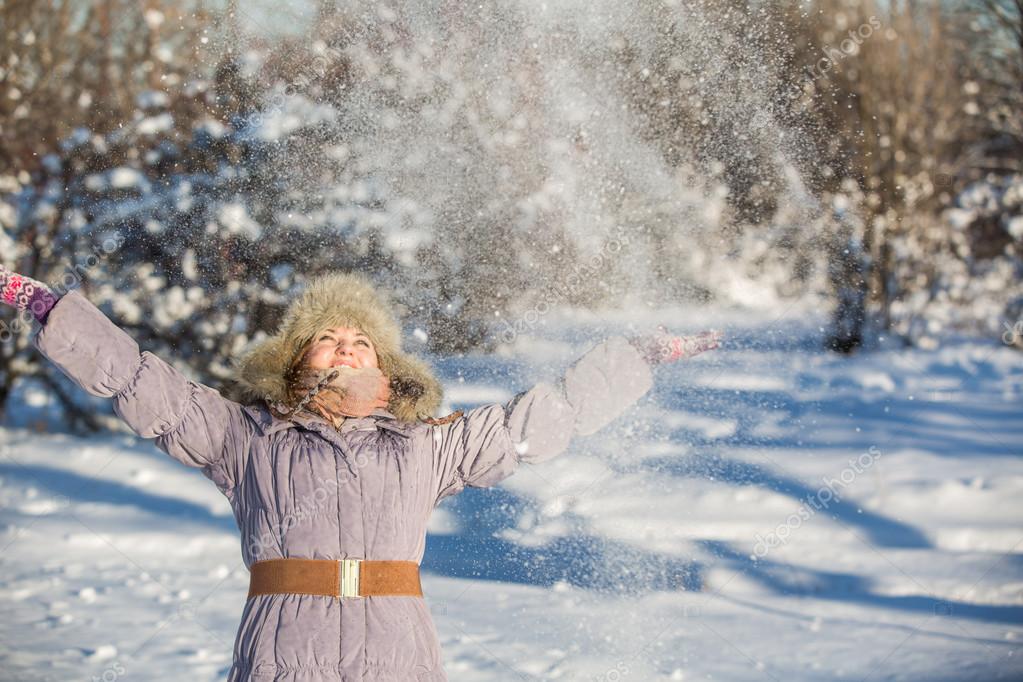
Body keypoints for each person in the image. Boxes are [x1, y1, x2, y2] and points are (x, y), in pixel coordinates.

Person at [0, 265, 721, 681]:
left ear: (385, 365)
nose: (345, 346)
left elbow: (541, 417)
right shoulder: (245, 436)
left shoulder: (427, 445)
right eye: (326, 338)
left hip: (398, 651)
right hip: (284, 650)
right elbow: (140, 382)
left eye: (361, 341)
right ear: (296, 360)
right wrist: (52, 309)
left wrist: (635, 357)